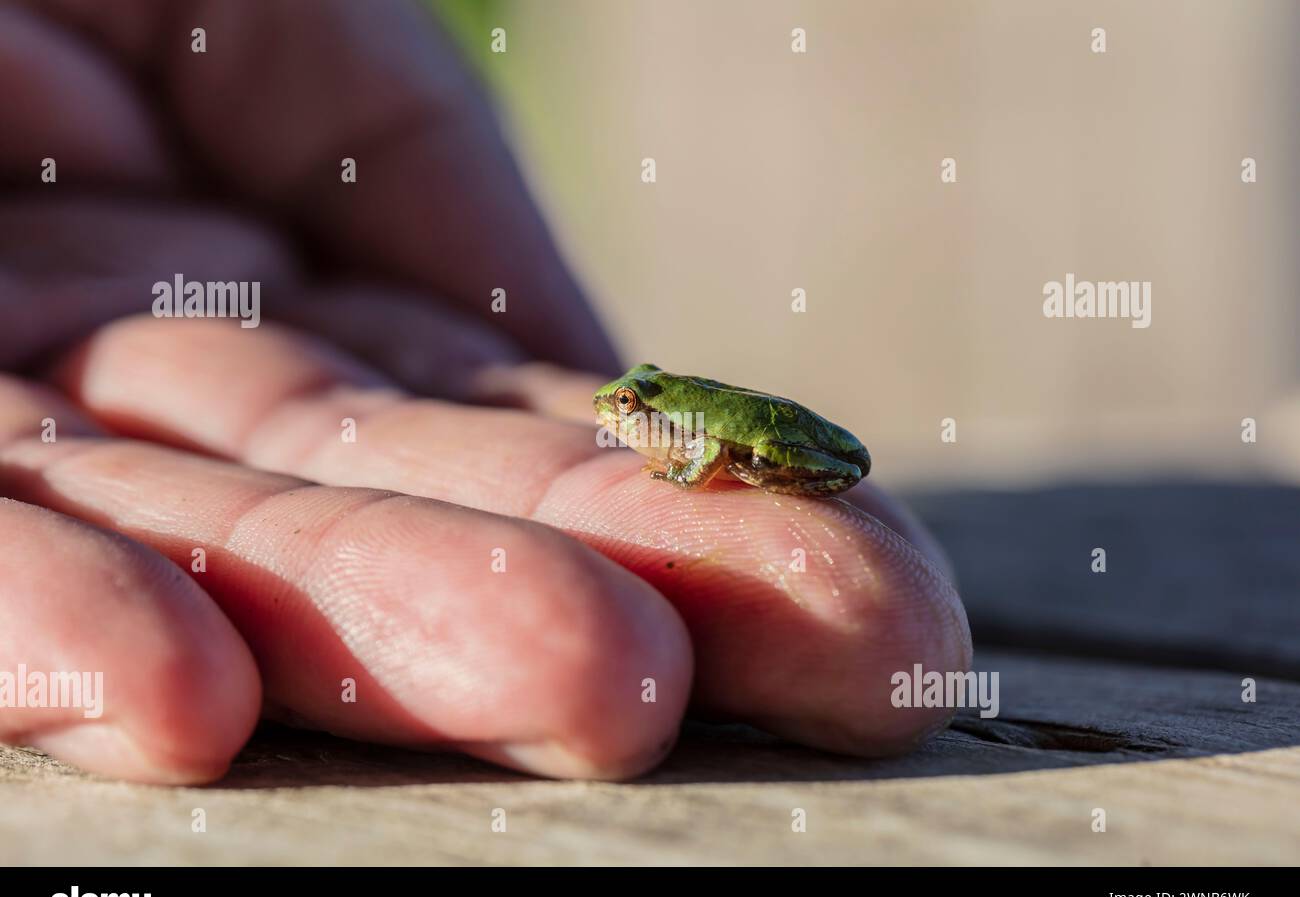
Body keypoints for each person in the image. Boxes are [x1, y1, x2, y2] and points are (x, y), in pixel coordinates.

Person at [0, 0, 969, 783]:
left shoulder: (691, 426)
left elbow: (714, 451)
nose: (618, 409)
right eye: (629, 401)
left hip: (791, 444)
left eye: (634, 405)